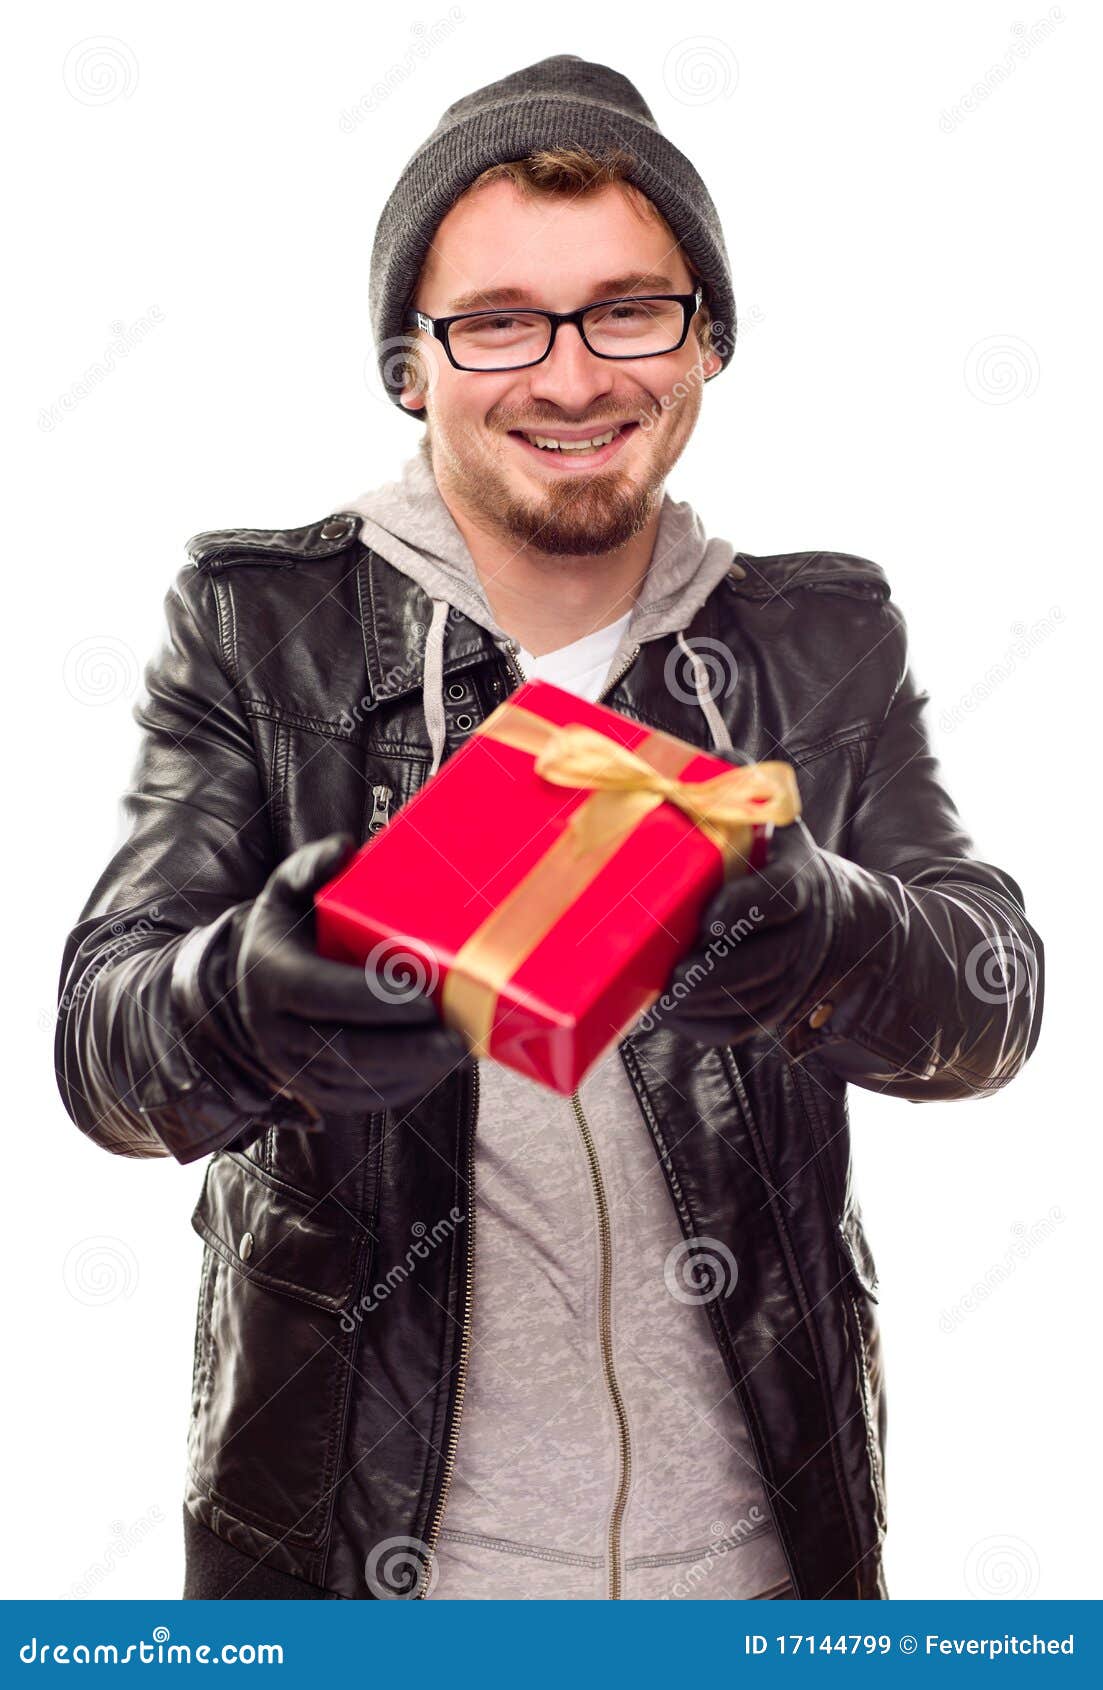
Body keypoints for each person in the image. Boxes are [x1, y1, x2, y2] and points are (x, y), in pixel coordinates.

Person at [54, 54, 1043, 1602]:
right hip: (355, 1586)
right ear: (410, 362)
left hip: (762, 1582)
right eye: (500, 320)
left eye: (629, 309)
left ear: (707, 337)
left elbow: (992, 1004)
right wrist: (239, 1005)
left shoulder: (819, 636)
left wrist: (836, 931)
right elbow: (101, 1043)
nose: (572, 378)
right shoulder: (264, 624)